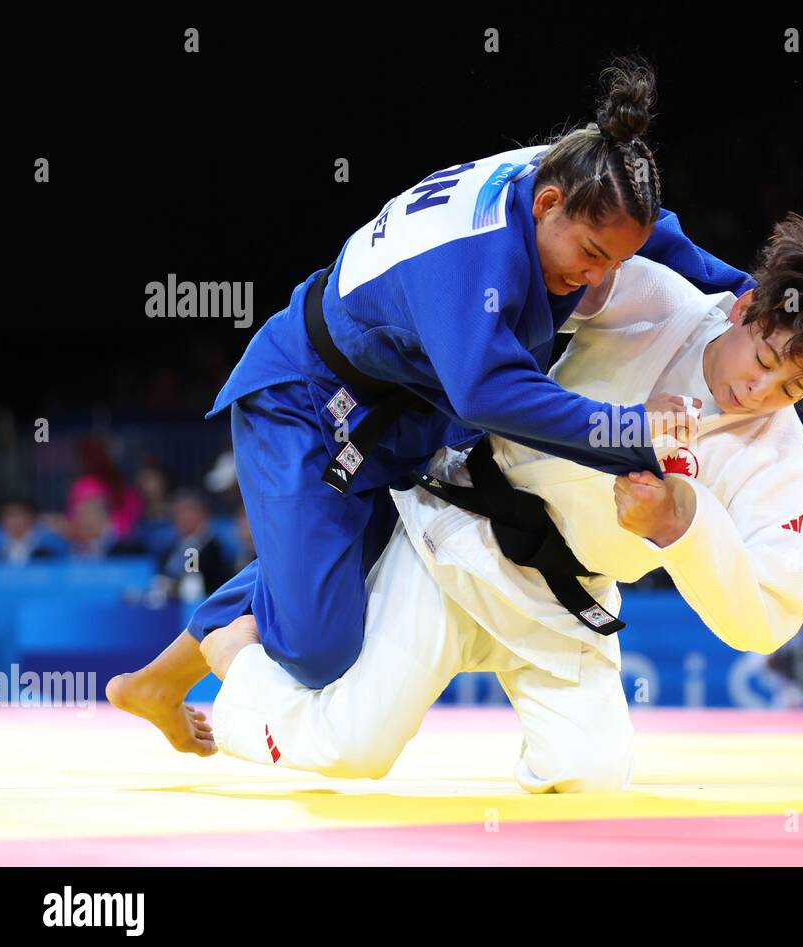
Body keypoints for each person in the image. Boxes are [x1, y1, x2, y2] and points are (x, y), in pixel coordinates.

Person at [107, 59, 755, 756]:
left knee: (332, 569)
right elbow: (490, 395)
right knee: (320, 650)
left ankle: (151, 684)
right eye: (591, 255)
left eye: (613, 262)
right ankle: (228, 654)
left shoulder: (579, 177)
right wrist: (633, 435)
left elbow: (650, 231)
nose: (597, 279)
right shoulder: (471, 258)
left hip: (401, 408)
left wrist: (735, 284)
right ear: (547, 204)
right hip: (307, 402)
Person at [197, 216, 803, 786]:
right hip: (454, 538)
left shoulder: (779, 466)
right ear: (745, 307)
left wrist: (683, 527)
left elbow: (766, 618)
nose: (761, 393)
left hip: (563, 599)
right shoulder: (656, 299)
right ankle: (237, 654)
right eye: (766, 360)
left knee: (591, 780)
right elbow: (552, 268)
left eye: (793, 390)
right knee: (354, 748)